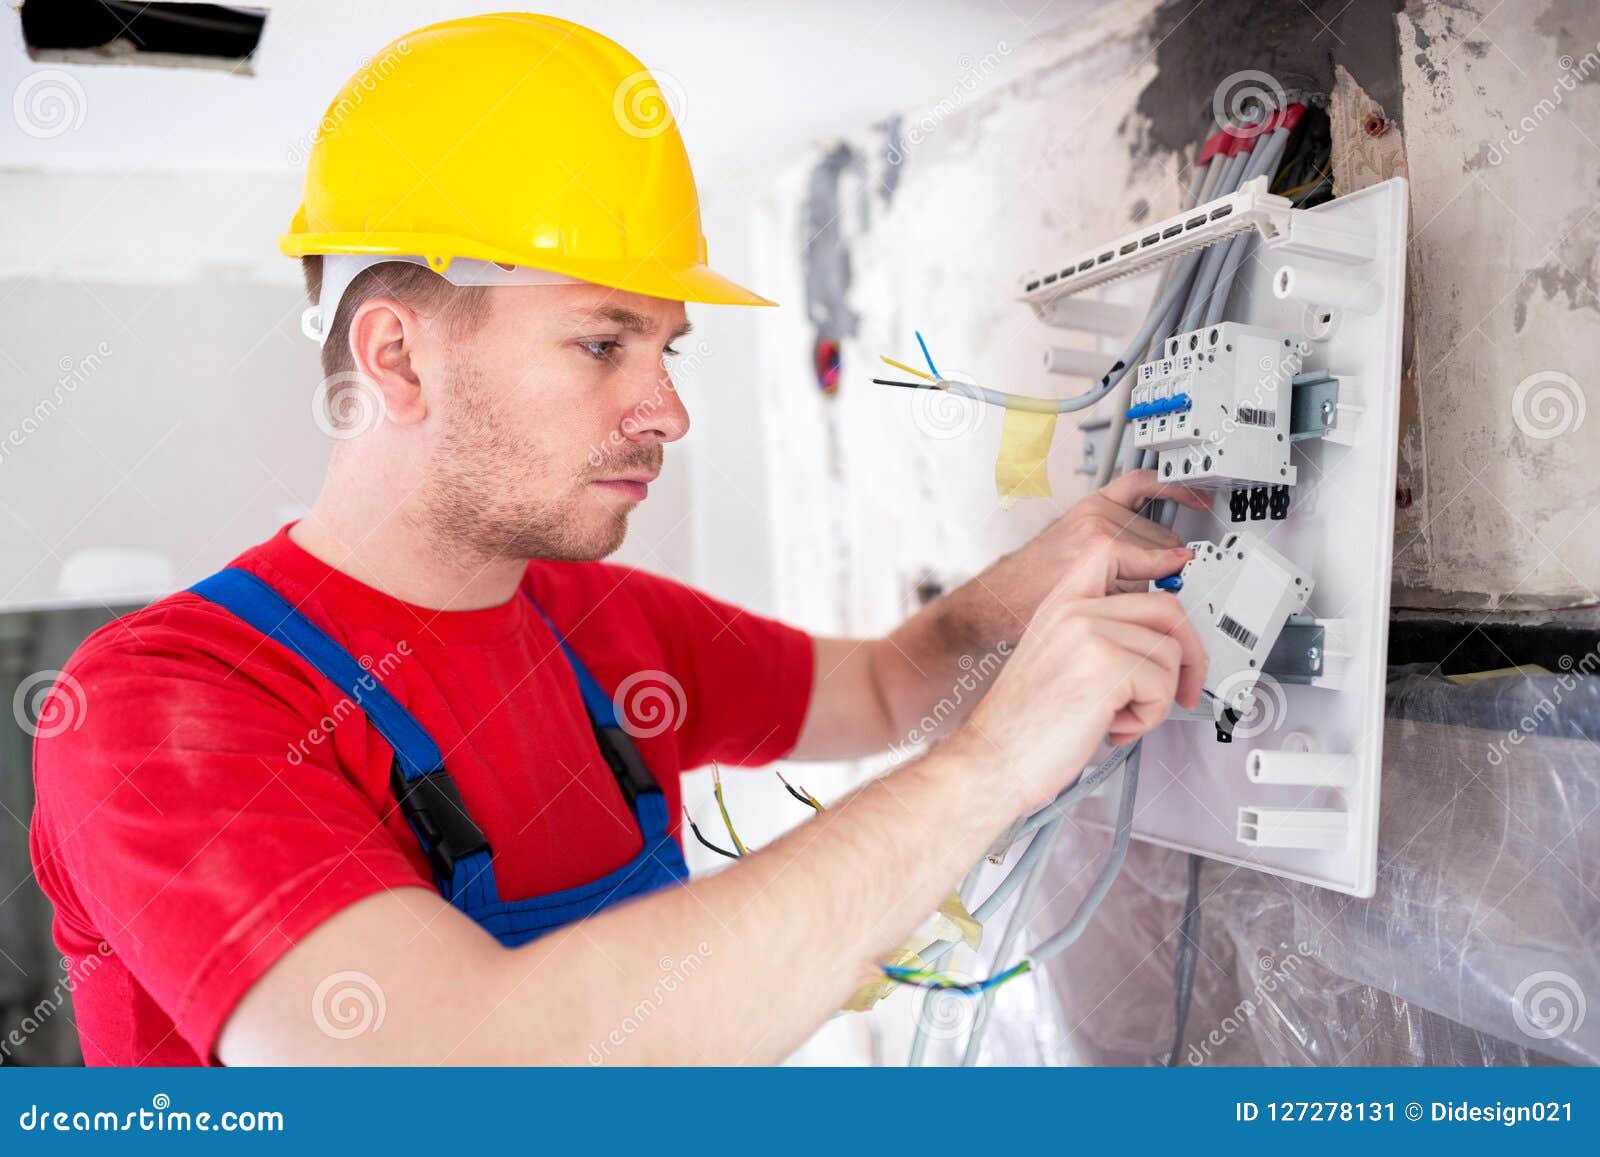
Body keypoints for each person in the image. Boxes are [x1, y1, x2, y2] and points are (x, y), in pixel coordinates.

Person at [30, 13, 1207, 1066]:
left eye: (667, 350)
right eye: (603, 344)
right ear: (397, 357)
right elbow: (451, 1083)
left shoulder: (603, 627)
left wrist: (1020, 591)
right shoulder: (162, 709)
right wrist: (990, 765)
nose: (670, 411)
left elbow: (894, 683)